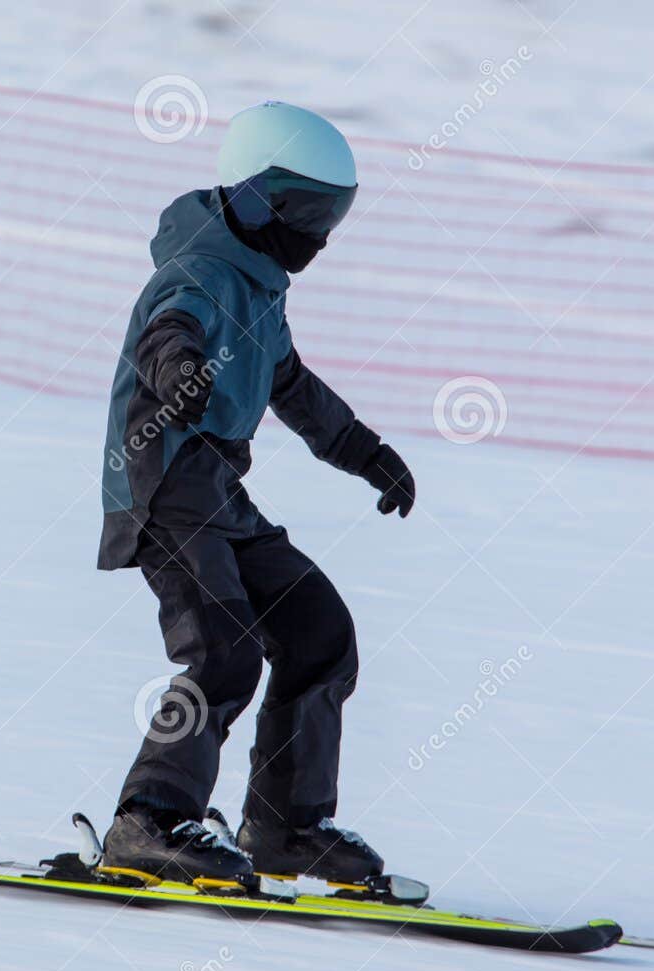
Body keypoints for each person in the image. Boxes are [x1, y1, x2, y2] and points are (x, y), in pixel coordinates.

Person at [97, 101, 415, 885]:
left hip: (219, 493)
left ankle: (285, 826)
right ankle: (148, 820)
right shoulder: (199, 273)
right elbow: (169, 331)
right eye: (305, 210)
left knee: (318, 631)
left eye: (330, 213)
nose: (317, 233)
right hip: (165, 486)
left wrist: (367, 454)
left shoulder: (260, 288)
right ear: (254, 196)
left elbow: (292, 386)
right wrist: (178, 372)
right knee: (224, 648)